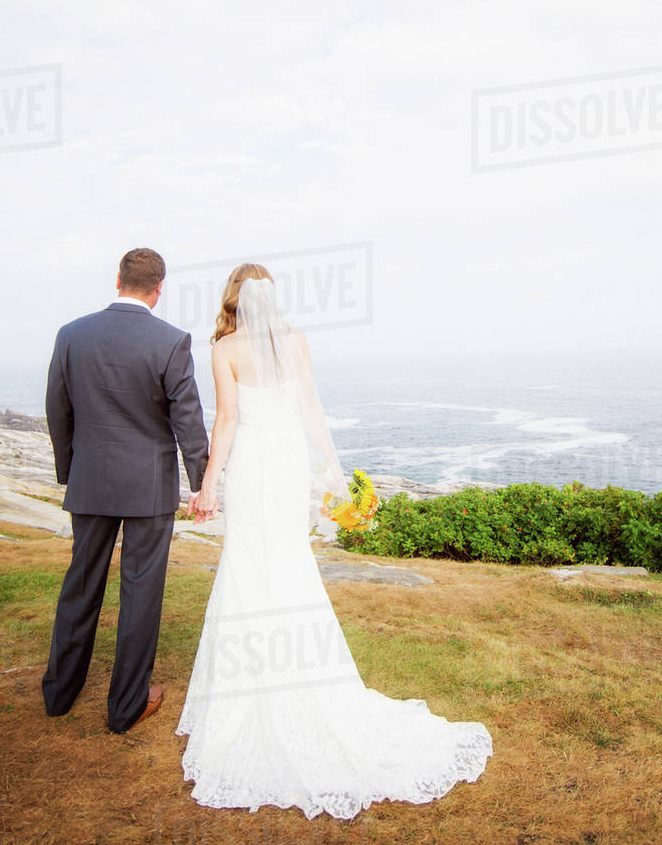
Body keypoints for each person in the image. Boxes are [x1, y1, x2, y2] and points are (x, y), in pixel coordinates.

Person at [176, 262, 492, 819]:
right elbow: (311, 409)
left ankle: (247, 690)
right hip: (290, 463)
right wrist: (335, 473)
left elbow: (224, 423)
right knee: (289, 563)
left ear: (234, 297)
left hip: (252, 466)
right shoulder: (296, 342)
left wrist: (207, 487)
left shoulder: (224, 349)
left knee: (250, 565)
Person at [42, 248, 210, 733]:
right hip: (149, 488)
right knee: (140, 592)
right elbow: (188, 420)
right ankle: (126, 706)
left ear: (118, 280)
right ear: (159, 288)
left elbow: (59, 409)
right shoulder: (172, 340)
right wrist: (200, 483)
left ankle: (58, 694)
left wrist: (68, 470)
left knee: (80, 584)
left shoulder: (71, 334)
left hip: (90, 479)